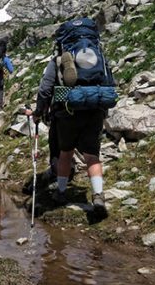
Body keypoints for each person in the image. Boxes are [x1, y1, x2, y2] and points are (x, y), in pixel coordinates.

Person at [32, 18, 115, 221]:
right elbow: (110, 82)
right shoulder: (100, 57)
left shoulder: (60, 60)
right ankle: (98, 196)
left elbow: (45, 89)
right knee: (92, 155)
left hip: (67, 111)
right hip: (94, 109)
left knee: (66, 152)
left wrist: (38, 111)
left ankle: (61, 193)